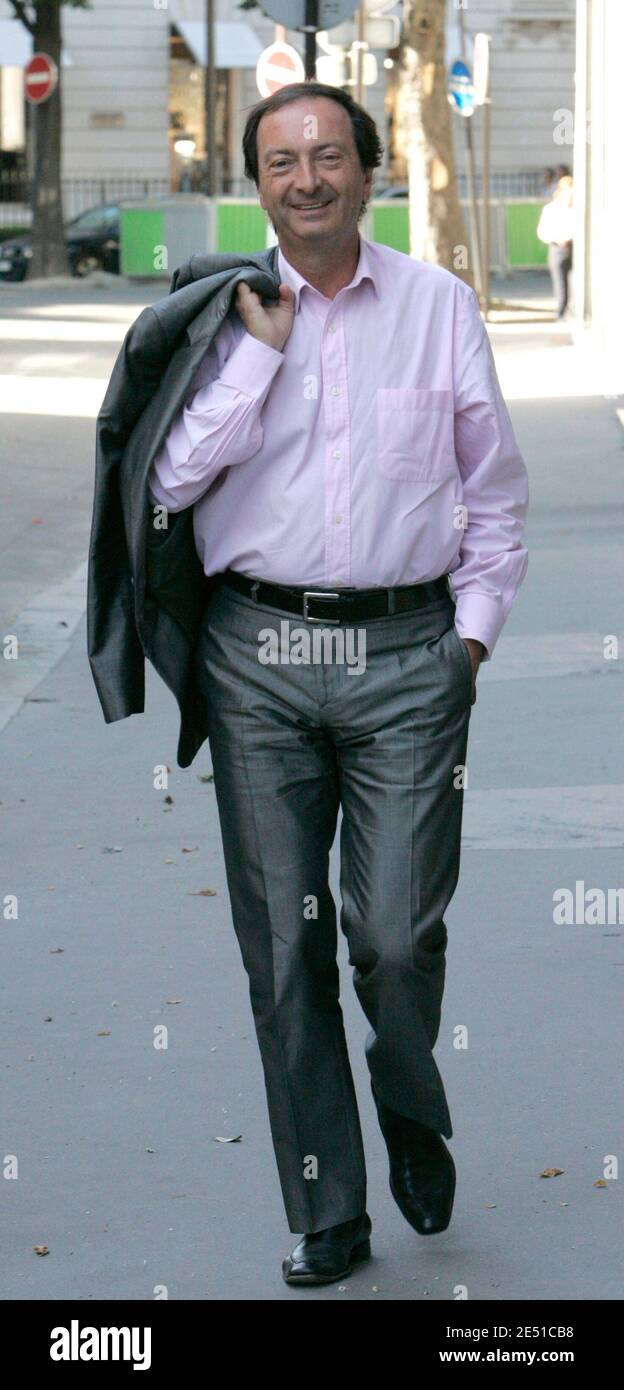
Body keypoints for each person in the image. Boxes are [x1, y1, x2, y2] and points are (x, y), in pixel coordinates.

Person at [147, 80, 529, 1287]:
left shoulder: (438, 306)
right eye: (280, 162)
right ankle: (328, 1205)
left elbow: (498, 495)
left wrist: (467, 643)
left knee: (396, 936)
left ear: (371, 171)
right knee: (282, 951)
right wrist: (257, 360)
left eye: (327, 156)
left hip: (408, 658)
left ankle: (408, 1097)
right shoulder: (217, 311)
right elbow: (164, 484)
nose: (305, 179)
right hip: (257, 657)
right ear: (255, 183)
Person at [537, 174, 574, 319]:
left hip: (575, 248)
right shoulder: (551, 209)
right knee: (561, 283)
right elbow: (542, 231)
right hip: (558, 249)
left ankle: (575, 310)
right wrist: (558, 239)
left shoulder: (577, 209)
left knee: (575, 282)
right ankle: (561, 312)